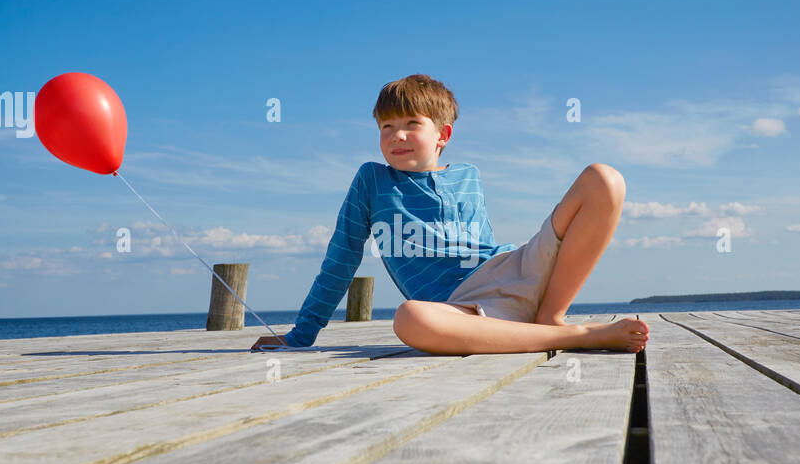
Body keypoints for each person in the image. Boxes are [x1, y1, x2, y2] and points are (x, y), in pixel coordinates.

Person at [250, 74, 647, 354]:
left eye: (411, 124)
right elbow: (340, 258)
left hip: (512, 267)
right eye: (386, 126)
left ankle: (551, 317)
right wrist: (301, 335)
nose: (396, 135)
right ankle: (580, 337)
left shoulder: (468, 175)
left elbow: (479, 244)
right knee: (409, 320)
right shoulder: (371, 180)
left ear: (442, 135)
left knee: (603, 179)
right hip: (460, 308)